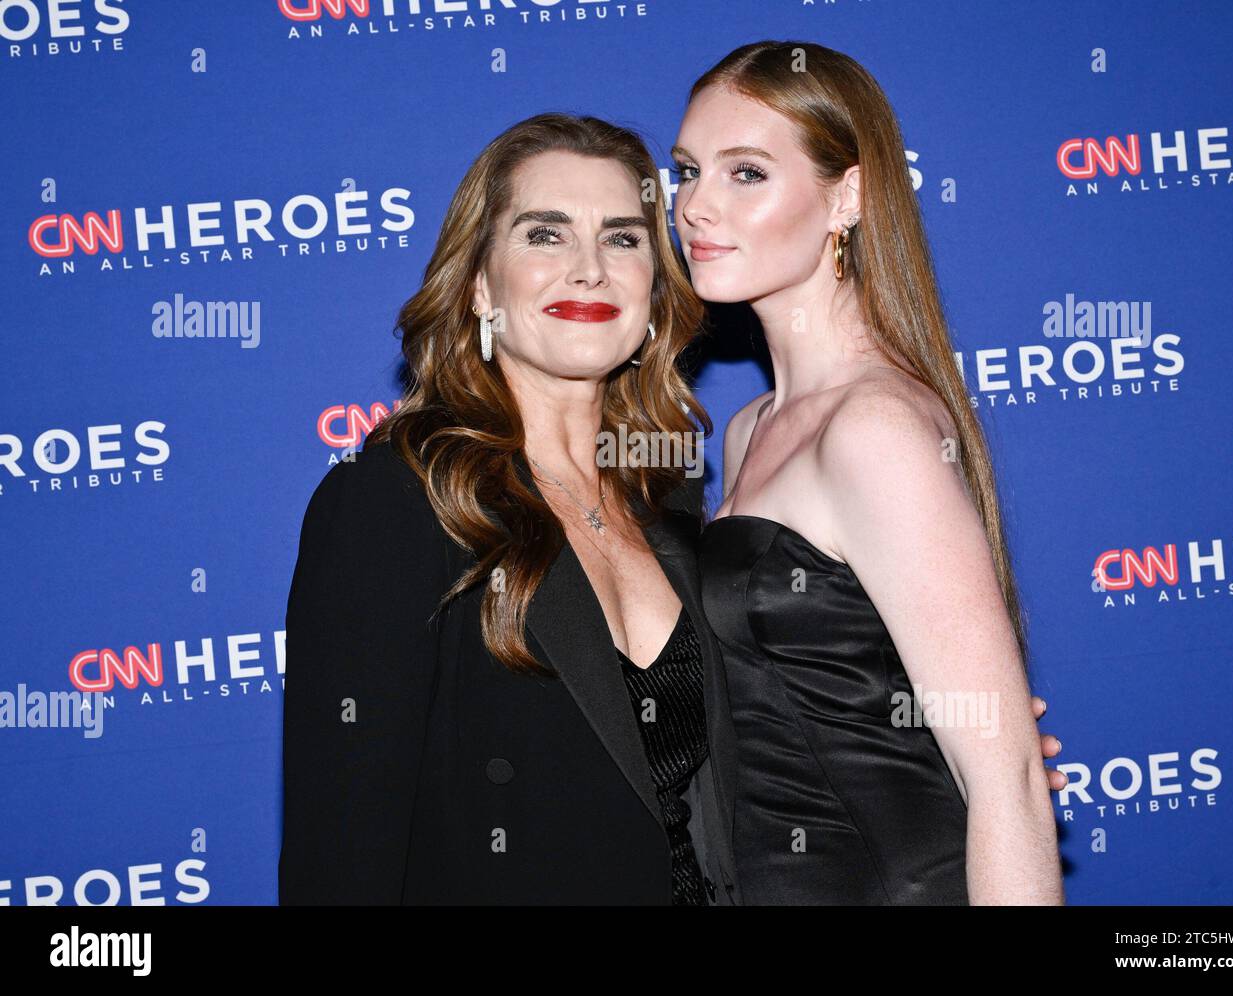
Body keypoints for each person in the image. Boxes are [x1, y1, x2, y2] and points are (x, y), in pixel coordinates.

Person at [279, 113, 733, 904]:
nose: (589, 270)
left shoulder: (666, 493)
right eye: (546, 235)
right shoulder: (394, 500)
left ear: (656, 291)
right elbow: (342, 852)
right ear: (480, 285)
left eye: (623, 239)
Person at [673, 41, 1066, 903]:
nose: (695, 205)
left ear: (846, 197)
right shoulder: (748, 430)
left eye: (746, 173)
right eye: (688, 170)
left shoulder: (872, 428)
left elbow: (1008, 781)